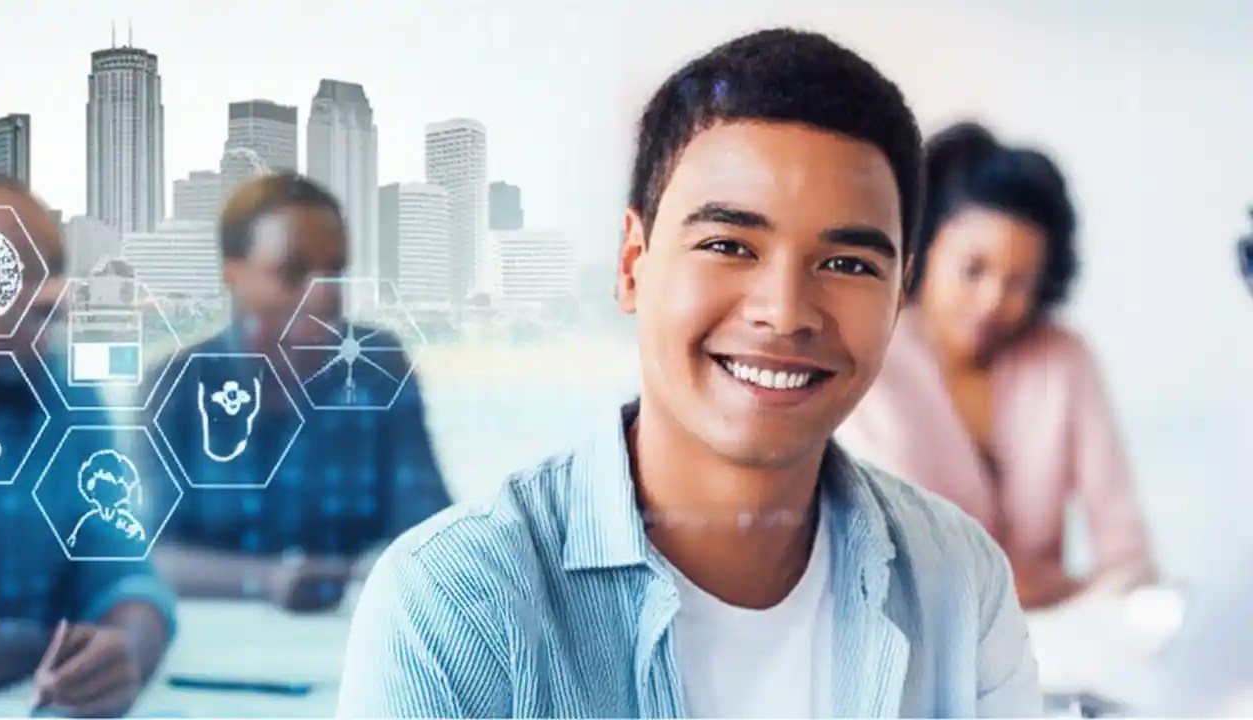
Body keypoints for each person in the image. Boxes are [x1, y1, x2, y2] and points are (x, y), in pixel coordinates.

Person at [338, 29, 1039, 718]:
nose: (785, 312)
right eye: (729, 244)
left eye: (848, 264)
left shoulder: (960, 584)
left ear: (898, 298)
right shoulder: (453, 607)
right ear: (631, 264)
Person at [835, 123, 1155, 610]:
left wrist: (1098, 593)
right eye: (974, 270)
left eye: (1021, 282)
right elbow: (912, 567)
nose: (993, 301)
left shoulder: (1062, 356)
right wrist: (1059, 587)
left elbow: (1129, 555)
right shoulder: (870, 354)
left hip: (1049, 655)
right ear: (923, 248)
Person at [151, 173, 452, 613]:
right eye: (292, 273)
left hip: (347, 643)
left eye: (334, 271)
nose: (322, 297)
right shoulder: (177, 386)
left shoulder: (377, 367)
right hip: (210, 651)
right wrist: (269, 580)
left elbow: (434, 533)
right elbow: (141, 556)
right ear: (233, 273)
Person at [0, 171, 175, 716]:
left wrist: (127, 647)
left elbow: (124, 571)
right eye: (3, 270)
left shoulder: (67, 394)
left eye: (52, 271)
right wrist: (31, 642)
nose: (52, 297)